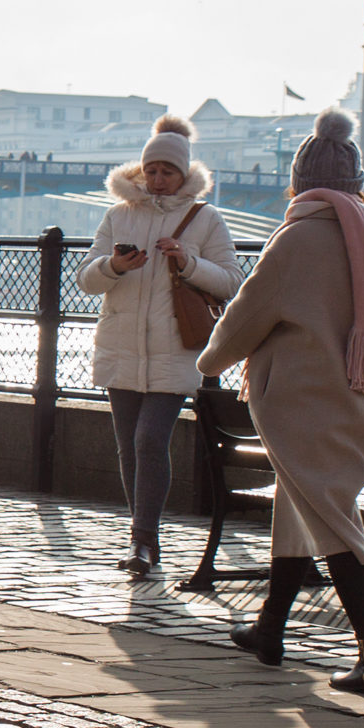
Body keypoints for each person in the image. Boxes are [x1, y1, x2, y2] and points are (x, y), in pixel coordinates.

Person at [200, 108, 364, 694]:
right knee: (299, 507)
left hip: (300, 408)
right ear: (358, 184)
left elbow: (244, 321)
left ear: (299, 184)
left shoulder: (296, 240)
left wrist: (208, 363)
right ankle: (270, 629)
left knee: (332, 520)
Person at [77, 116, 245, 578]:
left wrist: (188, 262)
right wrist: (114, 266)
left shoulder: (206, 218)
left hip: (175, 349)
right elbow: (86, 279)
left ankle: (144, 540)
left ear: (183, 173)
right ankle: (142, 539)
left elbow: (232, 281)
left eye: (167, 171)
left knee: (150, 440)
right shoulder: (118, 215)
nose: (157, 179)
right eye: (150, 170)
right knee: (129, 448)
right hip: (121, 346)